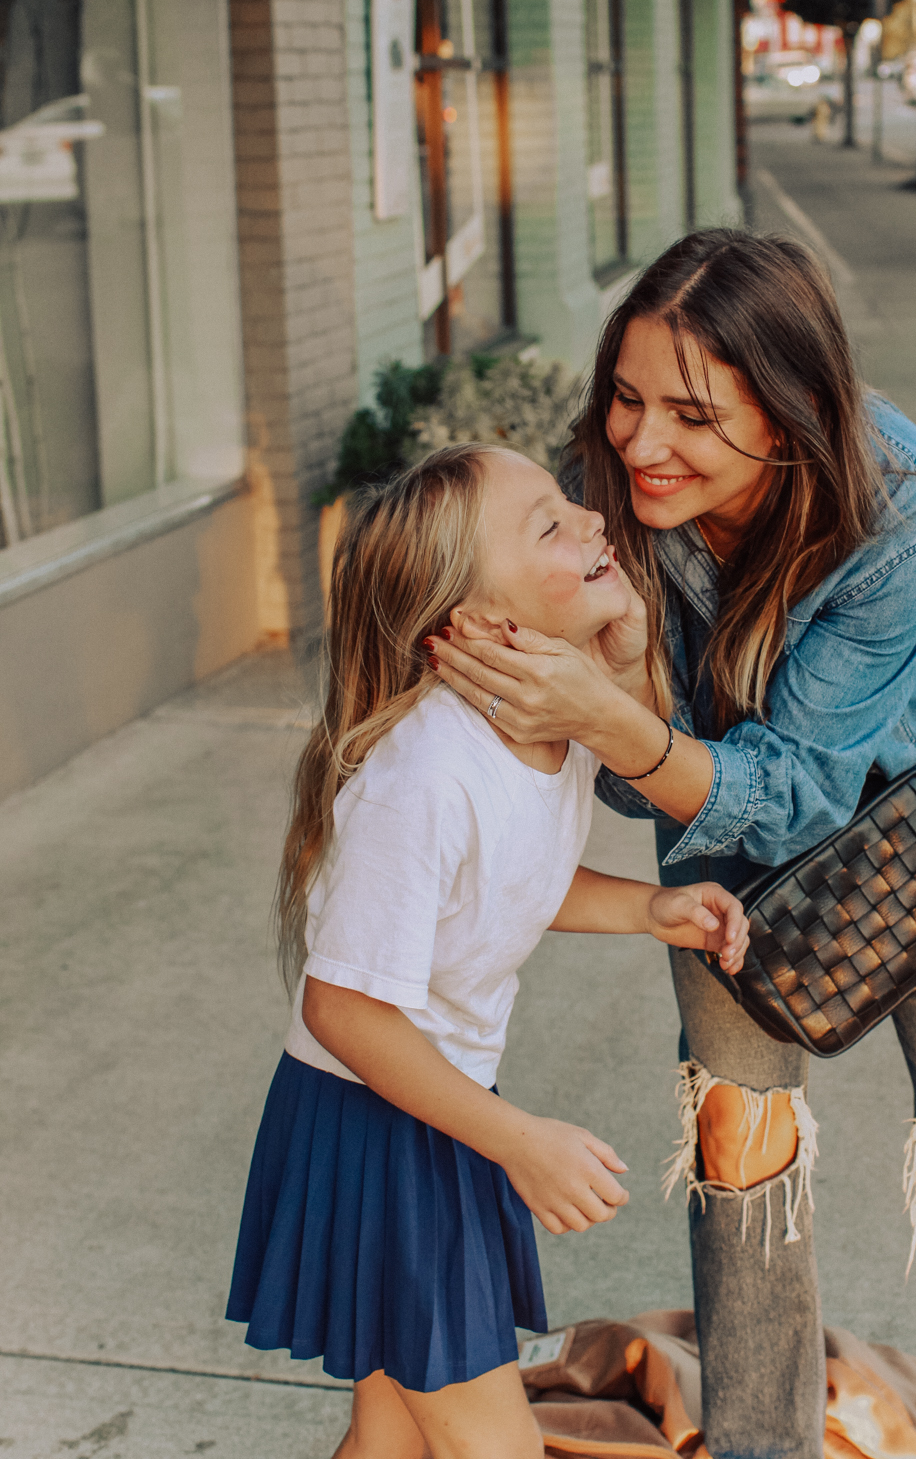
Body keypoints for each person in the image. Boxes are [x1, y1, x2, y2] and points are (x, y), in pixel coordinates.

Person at [429, 230, 916, 1459]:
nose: (636, 443)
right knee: (740, 1149)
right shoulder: (610, 491)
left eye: (689, 413)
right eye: (625, 398)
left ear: (785, 420)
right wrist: (615, 682)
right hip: (717, 830)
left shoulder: (906, 509)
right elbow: (650, 799)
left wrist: (608, 716)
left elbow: (793, 793)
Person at [226, 442, 750, 1459]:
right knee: (488, 1445)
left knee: (393, 1438)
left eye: (570, 506)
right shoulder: (421, 778)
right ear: (474, 628)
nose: (593, 521)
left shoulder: (544, 722)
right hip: (377, 1130)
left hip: (427, 1112)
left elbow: (513, 882)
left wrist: (649, 908)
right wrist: (520, 1141)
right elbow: (343, 1007)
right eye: (549, 526)